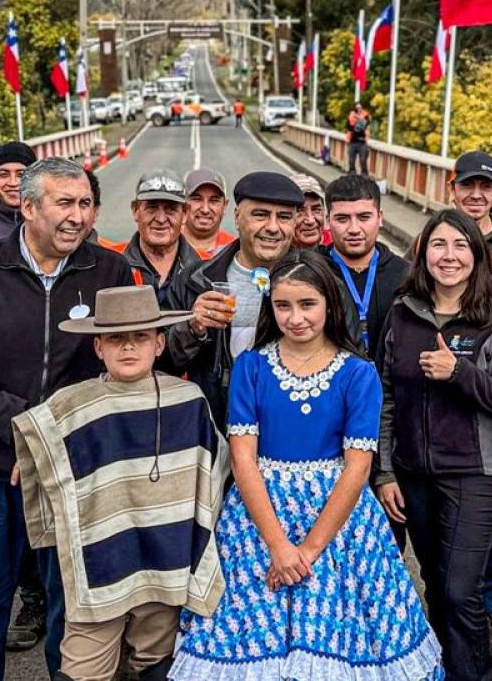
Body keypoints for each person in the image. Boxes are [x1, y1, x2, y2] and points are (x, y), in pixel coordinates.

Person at [170, 254, 441, 680]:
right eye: (283, 306)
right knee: (254, 639)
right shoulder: (251, 367)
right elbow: (243, 458)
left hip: (338, 520)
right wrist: (279, 547)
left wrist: (309, 550)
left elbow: (357, 468)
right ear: (269, 307)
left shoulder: (358, 373)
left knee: (342, 638)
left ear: (330, 305)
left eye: (307, 304)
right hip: (260, 517)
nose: (295, 318)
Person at [0, 157, 139, 680]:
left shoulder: (109, 271)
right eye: (64, 203)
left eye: (86, 204)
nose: (78, 216)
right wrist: (26, 431)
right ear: (27, 207)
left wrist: (53, 438)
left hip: (73, 470)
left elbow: (119, 368)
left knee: (73, 606)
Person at [14, 287, 227, 681]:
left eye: (140, 337)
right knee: (82, 664)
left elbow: (214, 468)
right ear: (98, 347)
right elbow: (38, 448)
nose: (128, 347)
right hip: (102, 556)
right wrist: (30, 464)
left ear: (159, 343)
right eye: (115, 338)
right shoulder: (72, 405)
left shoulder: (187, 400)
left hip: (167, 555)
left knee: (156, 657)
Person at [374, 211, 492, 681]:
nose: (449, 256)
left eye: (460, 245)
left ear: (477, 255)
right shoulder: (404, 311)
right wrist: (384, 472)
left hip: (473, 473)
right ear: (423, 254)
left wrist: (459, 373)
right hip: (411, 474)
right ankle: (441, 670)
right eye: (439, 245)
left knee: (463, 592)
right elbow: (385, 395)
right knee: (437, 588)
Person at [164, 171, 303, 428]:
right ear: (237, 218)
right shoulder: (194, 280)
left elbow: (346, 359)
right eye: (260, 215)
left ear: (295, 223)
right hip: (215, 425)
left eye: (283, 217)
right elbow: (163, 363)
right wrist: (192, 328)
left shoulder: (320, 283)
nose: (272, 227)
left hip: (292, 428)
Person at [323, 172, 408, 353]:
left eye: (364, 217)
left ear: (380, 217)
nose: (354, 229)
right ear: (327, 220)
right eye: (342, 219)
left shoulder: (406, 275)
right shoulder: (311, 273)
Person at [107, 169, 203, 298]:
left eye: (171, 209)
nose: (161, 219)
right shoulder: (110, 265)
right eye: (152, 207)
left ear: (185, 214)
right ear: (136, 211)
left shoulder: (204, 266)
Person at [179, 168, 236, 259]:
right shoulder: (168, 245)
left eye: (214, 200)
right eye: (197, 199)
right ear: (183, 204)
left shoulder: (235, 250)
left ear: (225, 206)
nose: (205, 210)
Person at [291, 172, 328, 248]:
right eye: (300, 210)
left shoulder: (338, 249)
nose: (310, 220)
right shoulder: (272, 256)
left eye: (317, 210)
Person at [346, 102, 374, 175]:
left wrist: (360, 120)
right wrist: (355, 127)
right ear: (355, 108)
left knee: (363, 160)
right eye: (357, 107)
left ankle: (364, 175)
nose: (358, 109)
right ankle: (352, 174)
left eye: (360, 107)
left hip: (362, 142)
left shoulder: (365, 115)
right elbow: (348, 127)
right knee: (351, 160)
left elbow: (366, 124)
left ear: (362, 108)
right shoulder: (351, 115)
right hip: (352, 141)